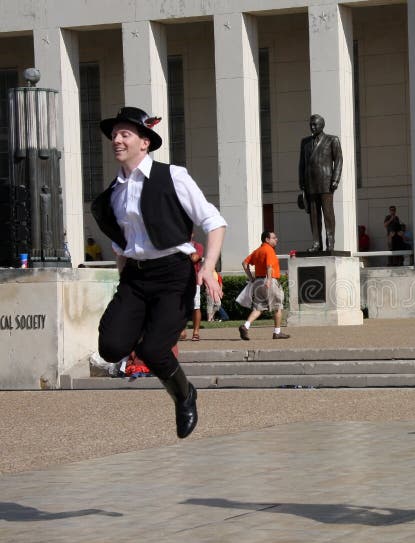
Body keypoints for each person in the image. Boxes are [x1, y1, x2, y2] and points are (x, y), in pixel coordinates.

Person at [91, 106, 226, 439]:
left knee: (153, 350)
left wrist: (208, 267)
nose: (116, 139)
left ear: (144, 142)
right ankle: (147, 330)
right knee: (111, 347)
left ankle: (184, 395)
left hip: (173, 275)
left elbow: (213, 221)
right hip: (136, 278)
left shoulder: (173, 176)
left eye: (125, 134)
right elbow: (121, 245)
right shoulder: (113, 194)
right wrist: (124, 282)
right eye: (114, 135)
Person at [298, 114, 342, 252]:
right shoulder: (305, 142)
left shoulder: (332, 140)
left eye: (315, 124)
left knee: (328, 214)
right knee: (314, 215)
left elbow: (339, 160)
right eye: (311, 125)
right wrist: (301, 181)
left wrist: (335, 179)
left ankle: (330, 243)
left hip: (326, 182)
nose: (312, 127)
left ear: (322, 125)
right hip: (310, 183)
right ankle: (317, 243)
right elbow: (302, 163)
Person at [236, 230, 289, 340]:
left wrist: (251, 278)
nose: (276, 239)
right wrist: (269, 280)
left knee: (258, 308)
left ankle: (245, 326)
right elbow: (269, 266)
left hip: (257, 282)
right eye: (274, 238)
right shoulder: (269, 250)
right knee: (278, 307)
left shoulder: (257, 251)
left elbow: (244, 263)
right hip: (269, 281)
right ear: (267, 239)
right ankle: (277, 332)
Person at [180, 233, 204, 341]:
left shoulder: (197, 246)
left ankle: (196, 332)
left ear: (192, 234)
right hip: (179, 280)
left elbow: (194, 258)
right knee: (179, 306)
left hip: (193, 280)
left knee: (196, 306)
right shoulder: (177, 245)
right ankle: (181, 330)